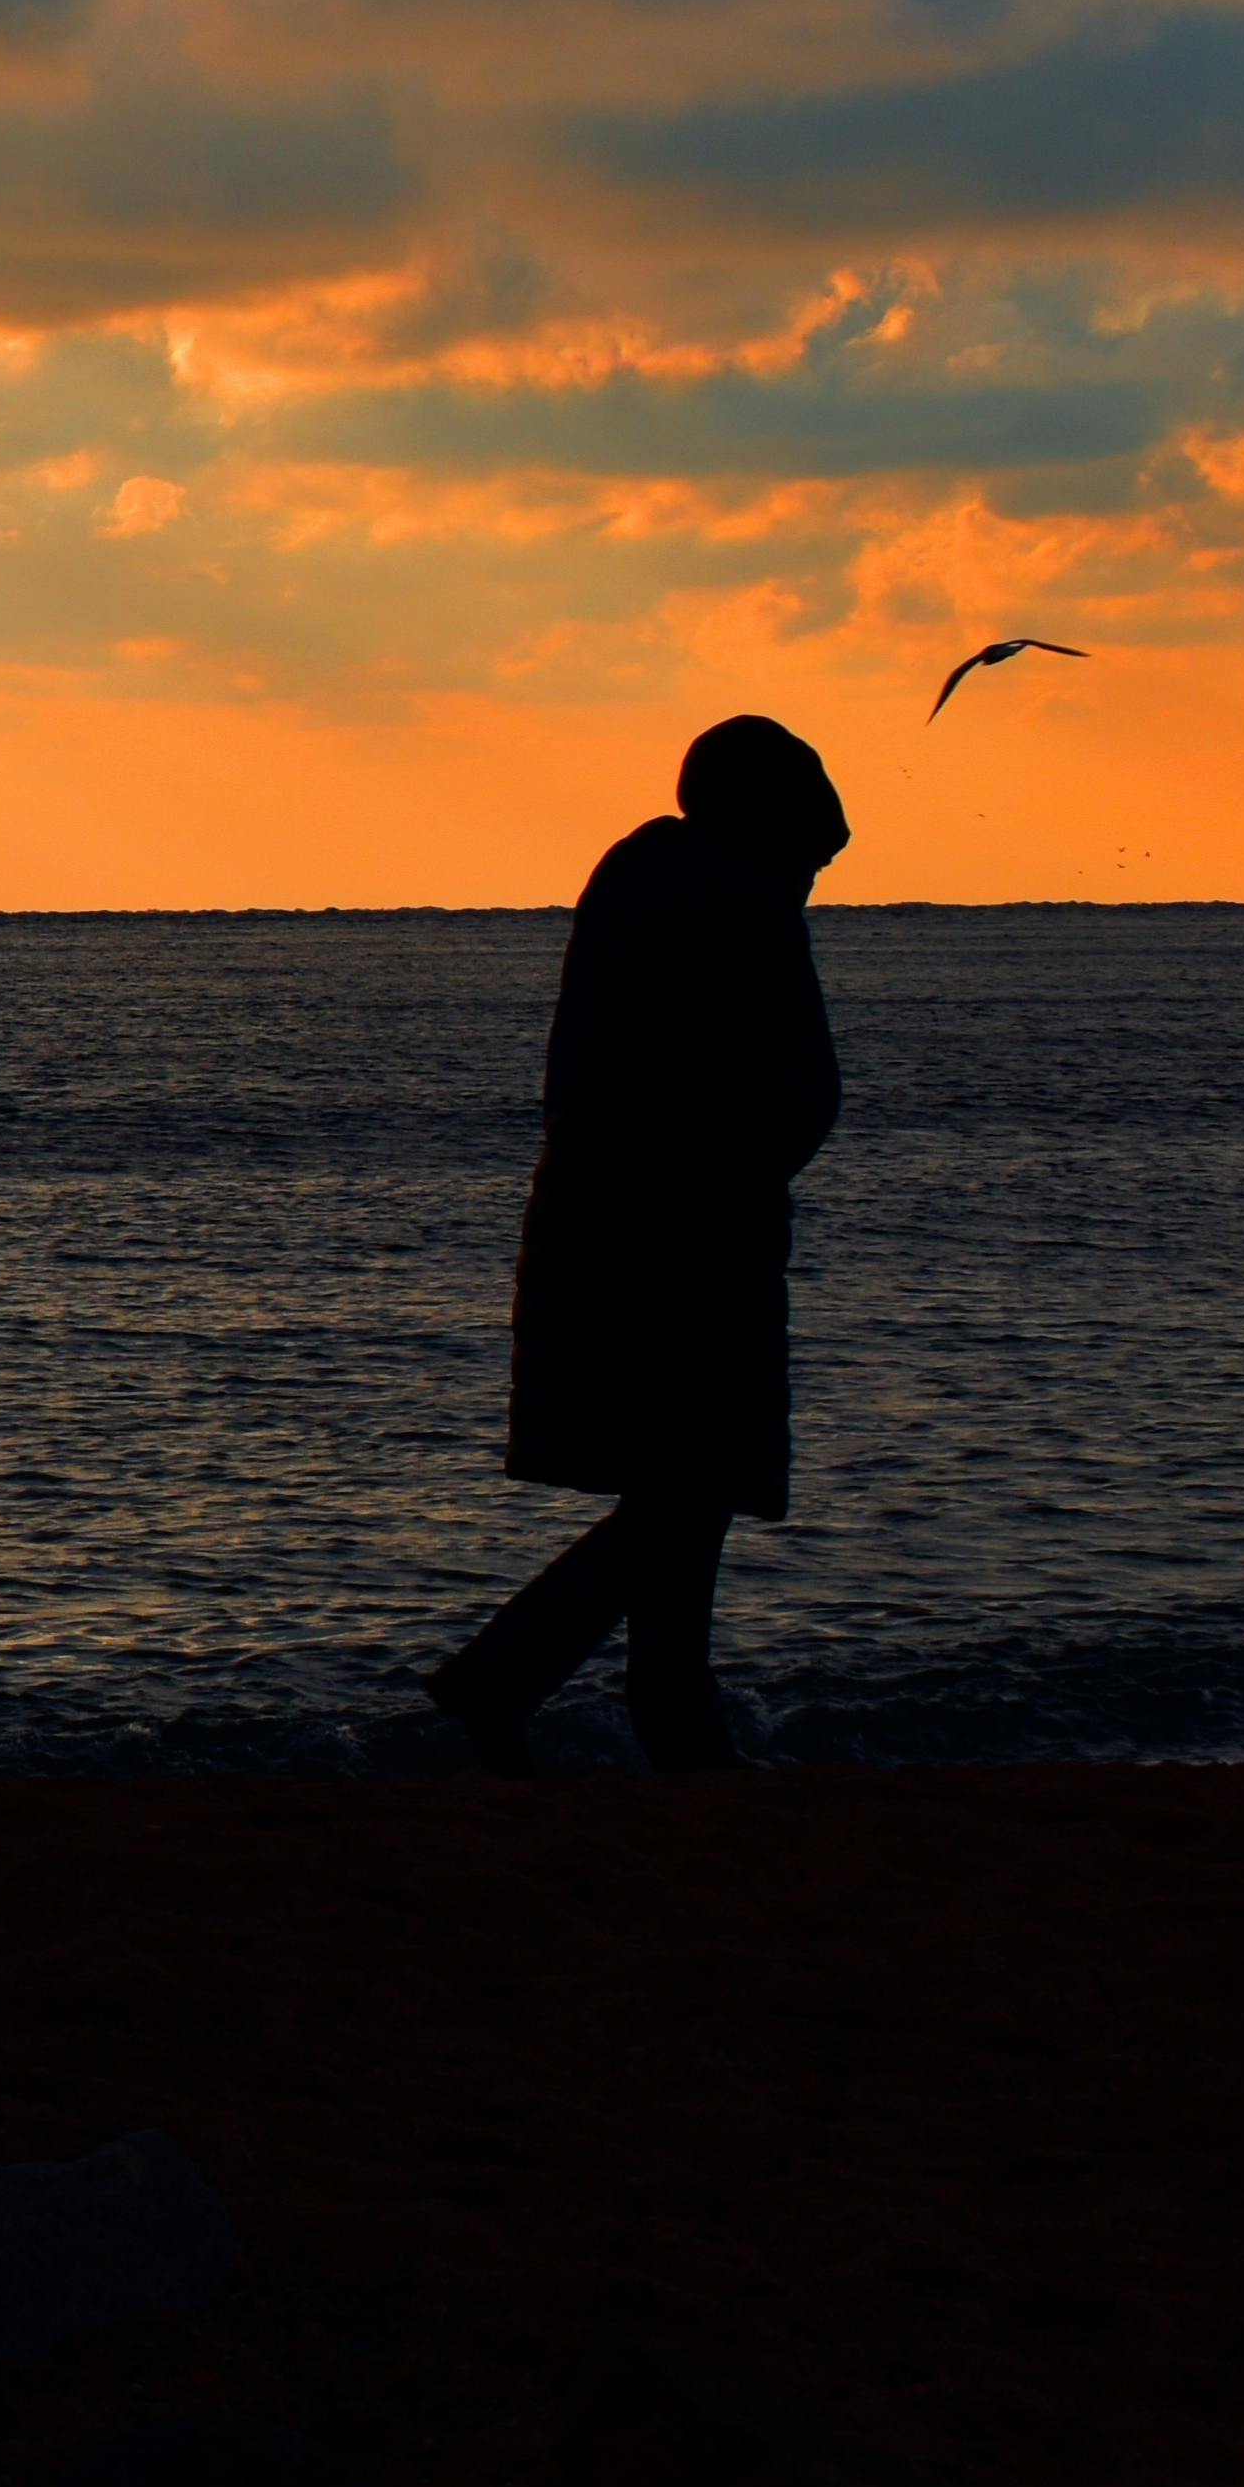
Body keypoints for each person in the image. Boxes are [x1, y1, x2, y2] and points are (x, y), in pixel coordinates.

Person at [424, 714, 850, 1775]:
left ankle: (670, 1713)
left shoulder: (644, 879)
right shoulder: (733, 896)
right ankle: (505, 1676)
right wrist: (749, 1162)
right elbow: (785, 1080)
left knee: (679, 1488)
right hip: (688, 1233)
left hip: (620, 1219)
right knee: (688, 1489)